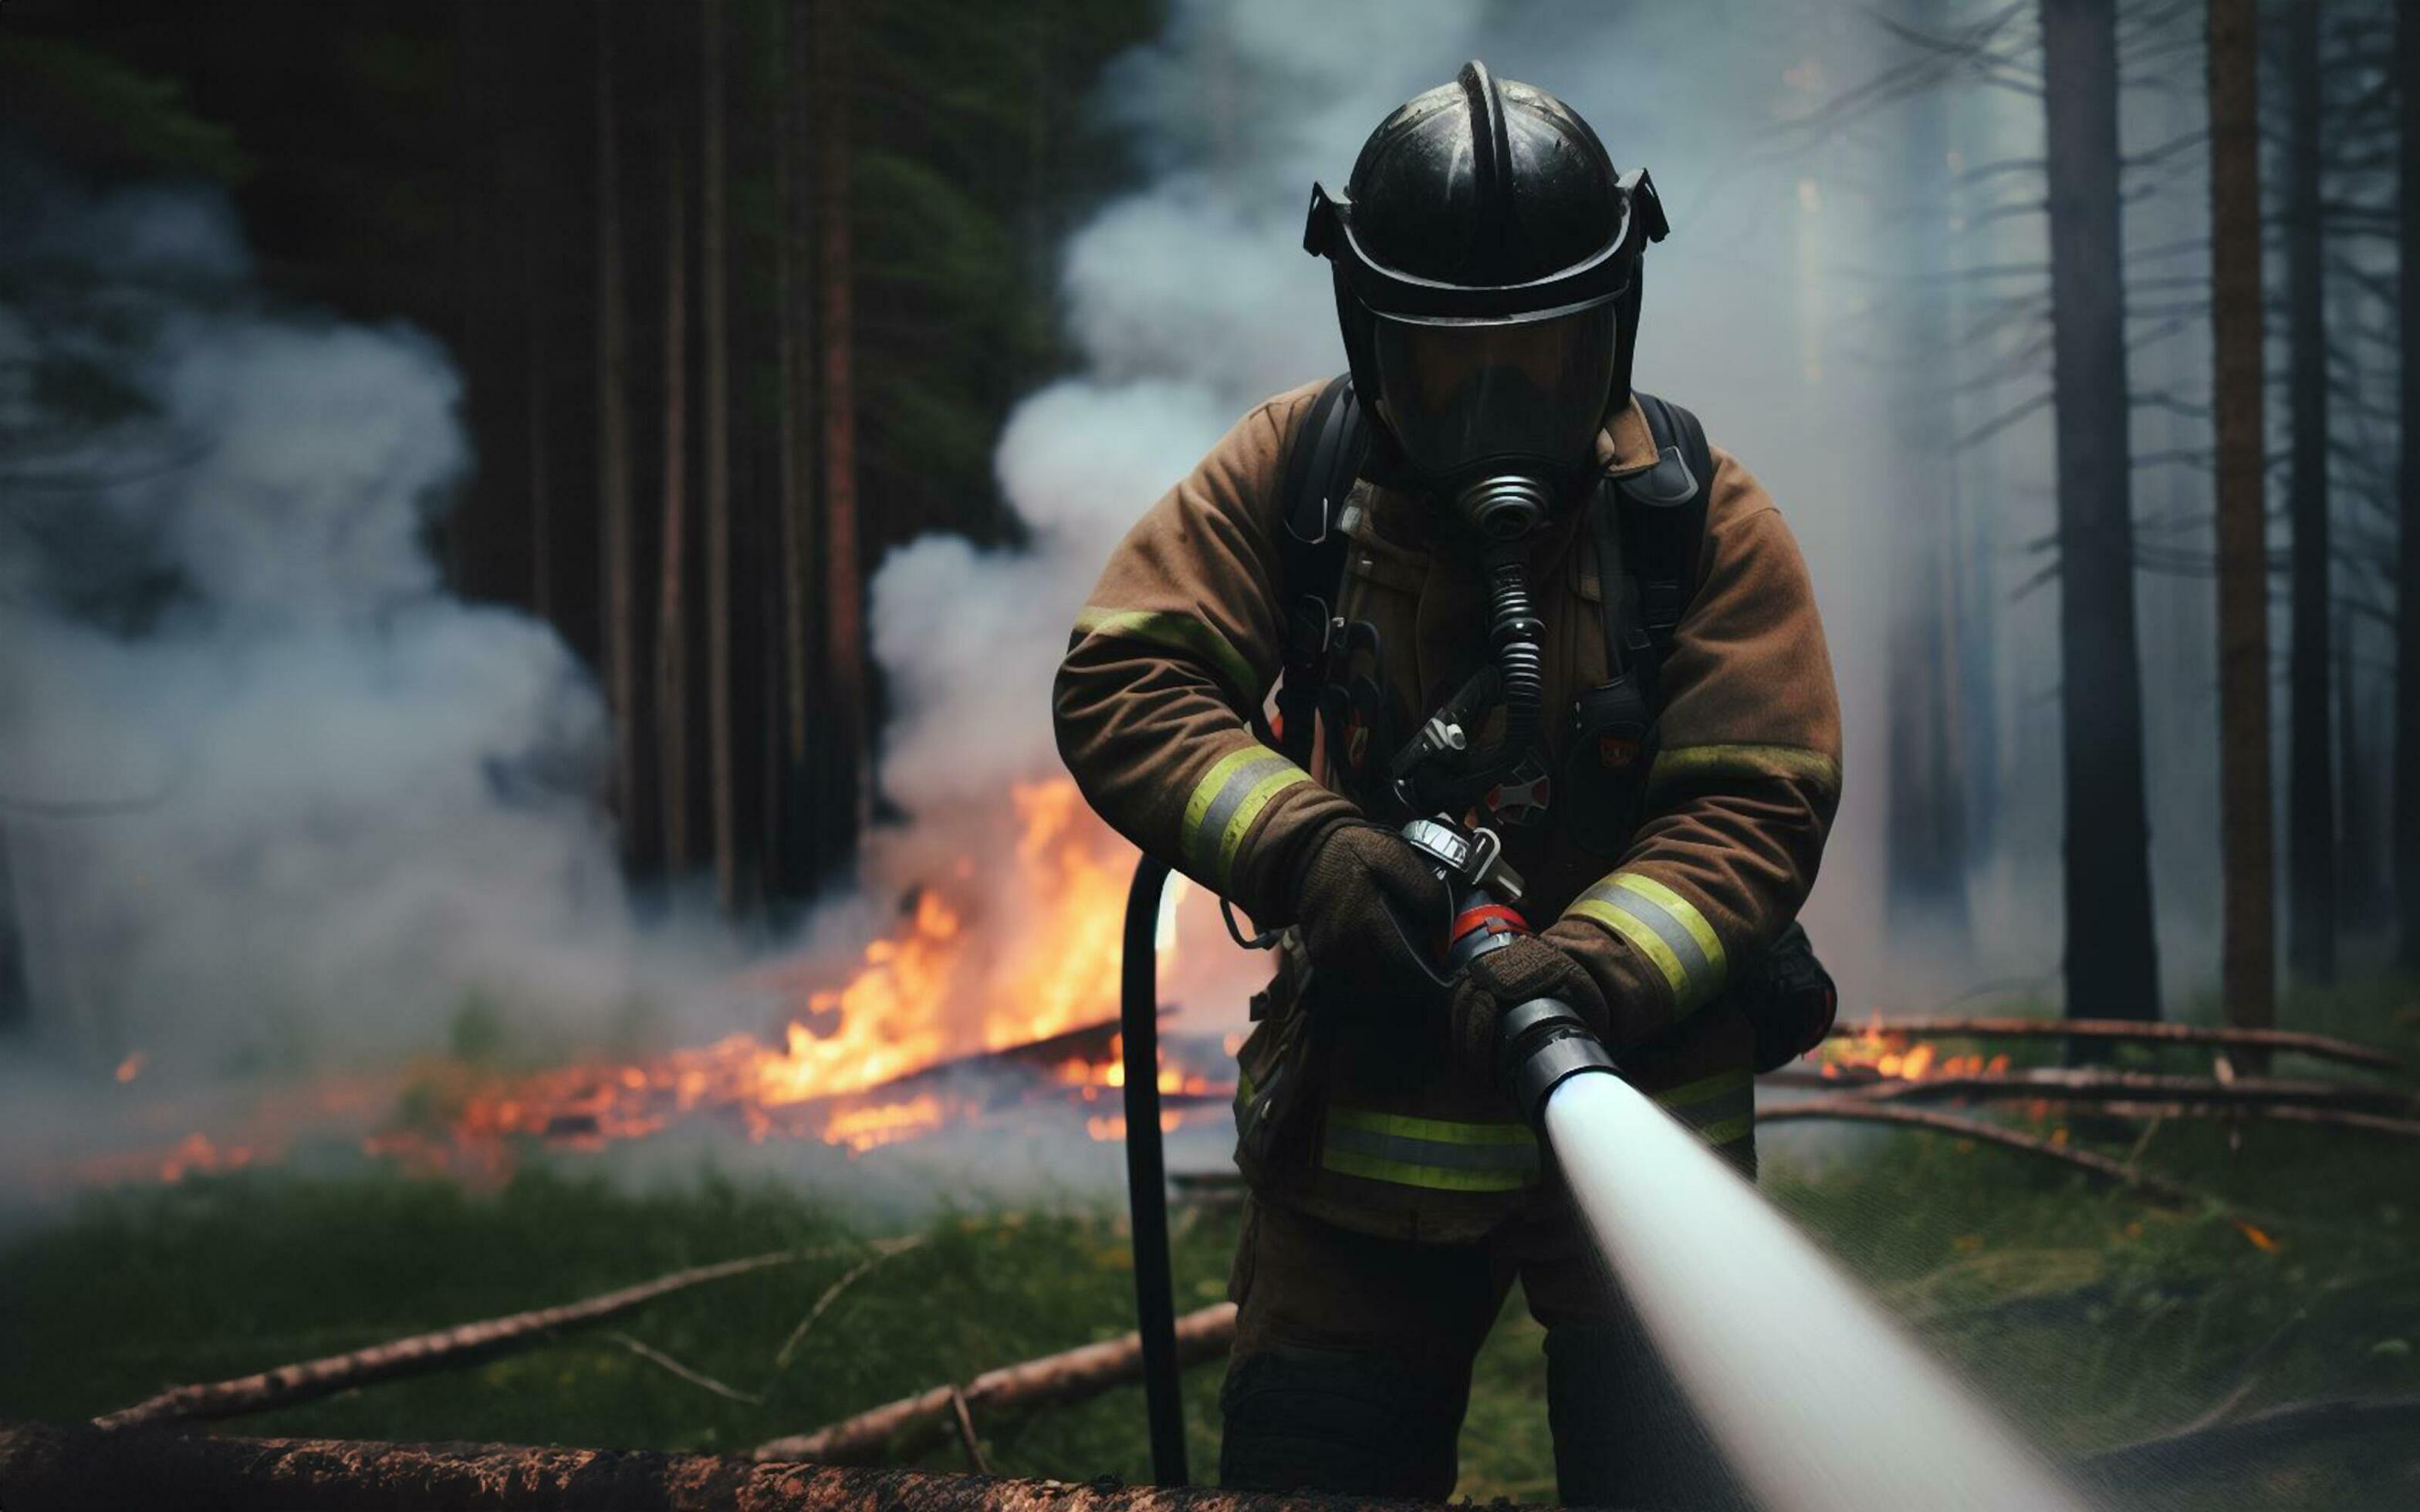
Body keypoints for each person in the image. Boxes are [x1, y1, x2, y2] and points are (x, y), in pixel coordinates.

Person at [1053, 61, 1841, 1508]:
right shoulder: (1296, 476)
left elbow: (1757, 796)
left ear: (1615, 323)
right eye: (1446, 361)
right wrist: (1305, 846)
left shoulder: (1696, 518)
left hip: (1645, 1153)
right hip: (1363, 1154)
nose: (1496, 403)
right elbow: (1126, 677)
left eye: (1544, 355)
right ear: (1369, 334)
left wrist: (1595, 971)